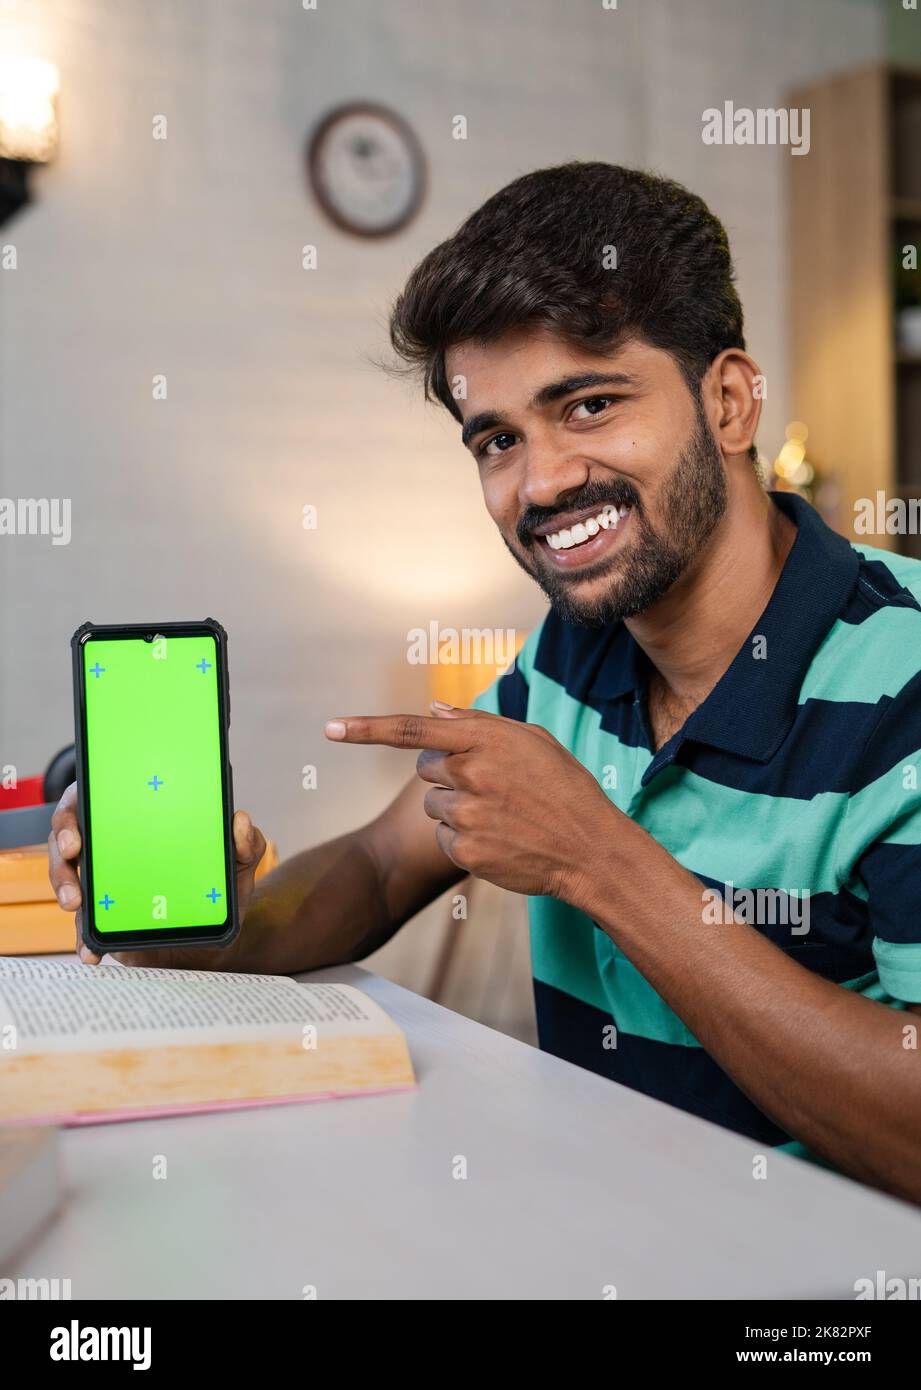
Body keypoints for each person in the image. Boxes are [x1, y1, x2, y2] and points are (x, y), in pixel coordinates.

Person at [49, 163, 921, 1201]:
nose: (542, 482)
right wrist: (207, 926)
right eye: (499, 439)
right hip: (584, 1228)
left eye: (589, 404)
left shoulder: (902, 679)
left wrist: (599, 858)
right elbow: (379, 867)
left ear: (729, 401)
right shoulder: (575, 646)